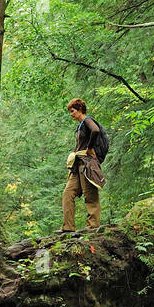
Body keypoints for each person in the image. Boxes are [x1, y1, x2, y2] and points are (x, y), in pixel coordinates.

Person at [60, 98, 102, 232]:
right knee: (67, 194)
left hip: (87, 163)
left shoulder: (88, 120)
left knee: (90, 195)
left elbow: (96, 130)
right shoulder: (80, 125)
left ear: (79, 110)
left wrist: (89, 148)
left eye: (72, 111)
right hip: (77, 165)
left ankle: (93, 227)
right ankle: (68, 227)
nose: (71, 114)